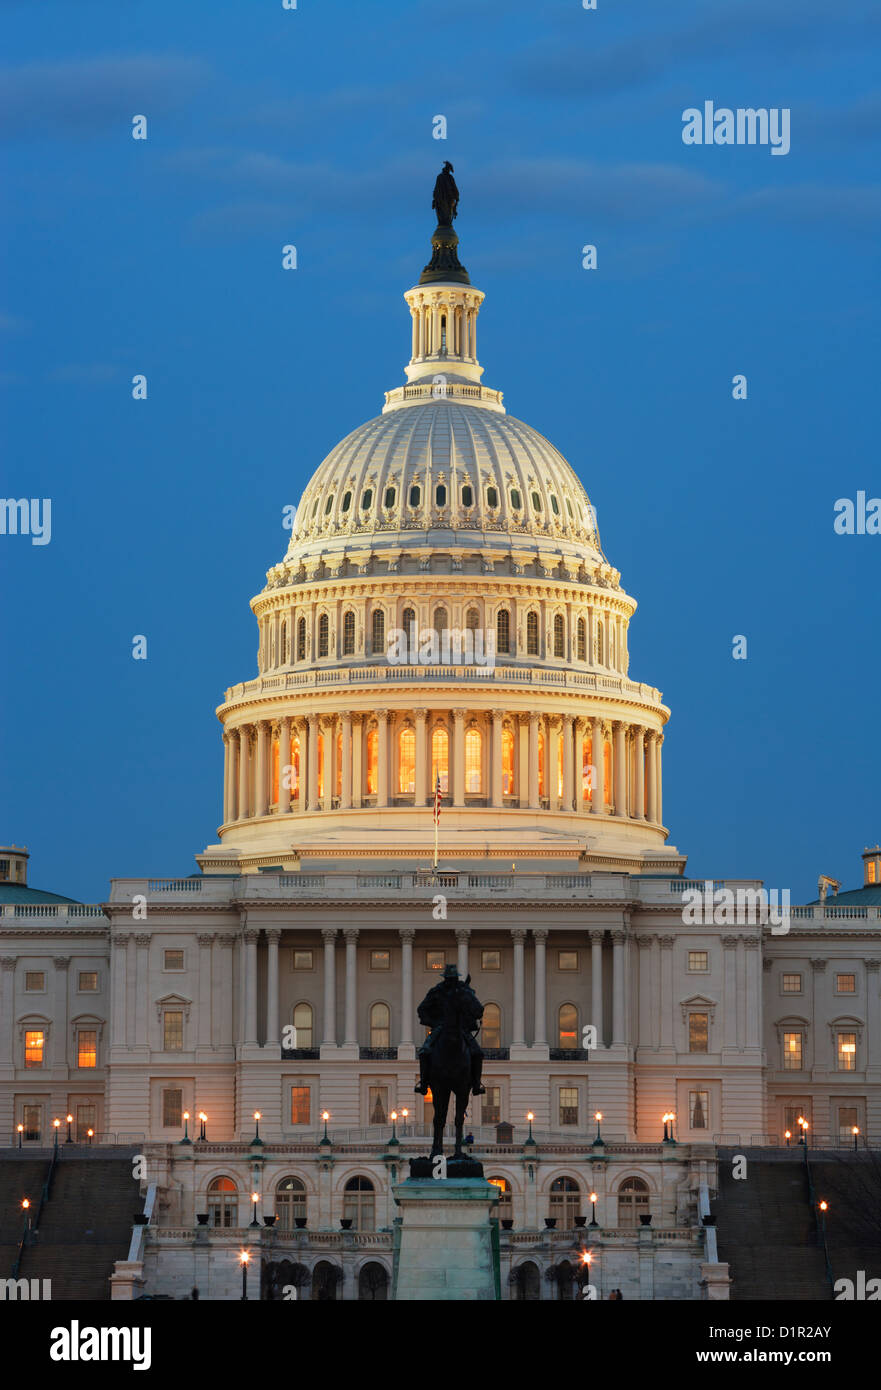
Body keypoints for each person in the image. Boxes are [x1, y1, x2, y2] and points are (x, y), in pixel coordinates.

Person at [415, 964, 485, 1096]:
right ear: (445, 978)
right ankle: (424, 1083)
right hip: (440, 1027)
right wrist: (434, 1023)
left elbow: (475, 1007)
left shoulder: (462, 990)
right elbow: (422, 1009)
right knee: (424, 1051)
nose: (451, 981)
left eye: (453, 979)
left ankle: (476, 1084)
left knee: (478, 1052)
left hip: (461, 1028)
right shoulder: (437, 991)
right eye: (449, 979)